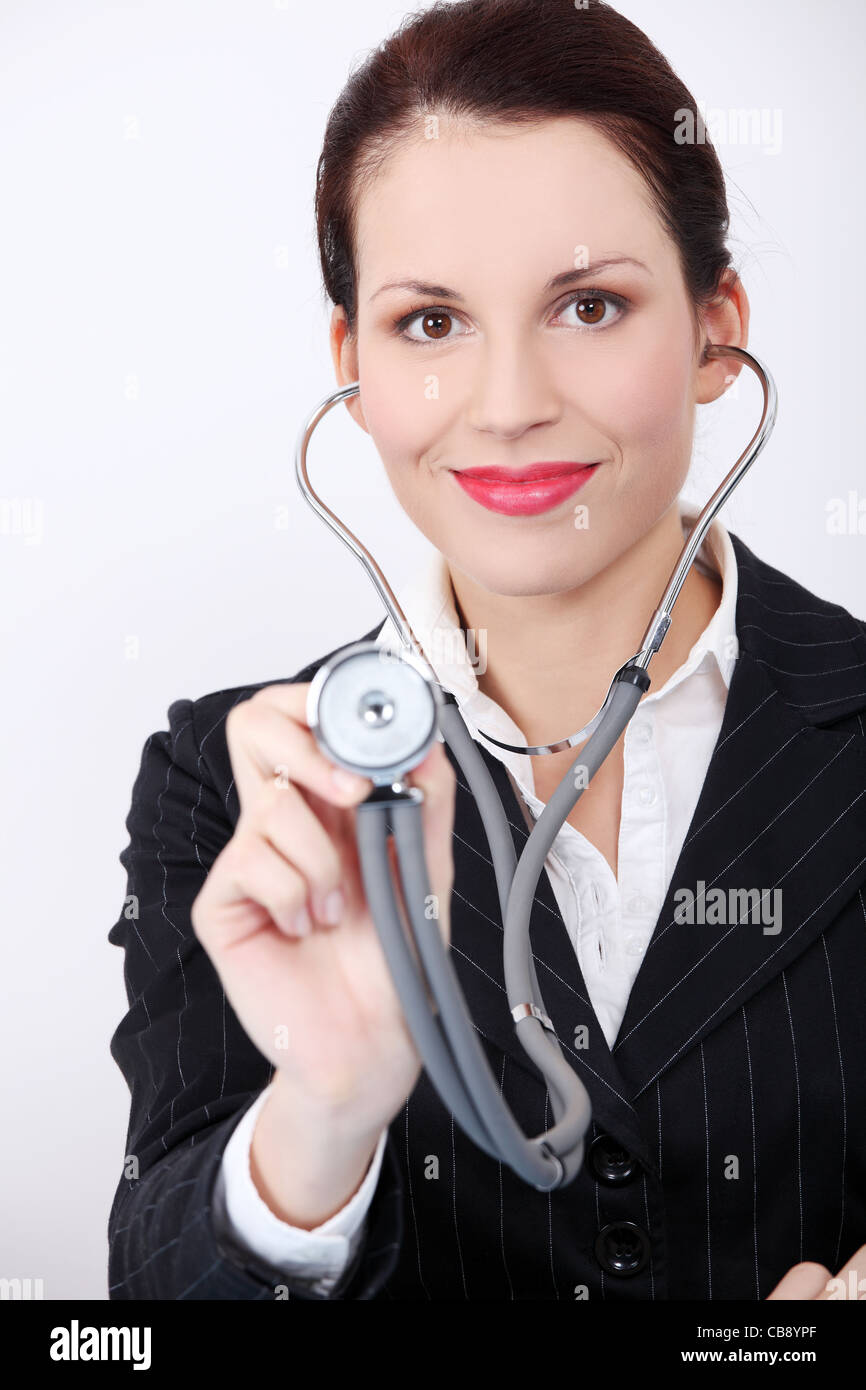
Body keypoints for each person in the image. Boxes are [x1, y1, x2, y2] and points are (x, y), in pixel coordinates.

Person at [107, 0, 866, 1301]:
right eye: (430, 322)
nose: (509, 404)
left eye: (586, 304)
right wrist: (324, 1110)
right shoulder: (231, 781)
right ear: (352, 360)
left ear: (712, 326)